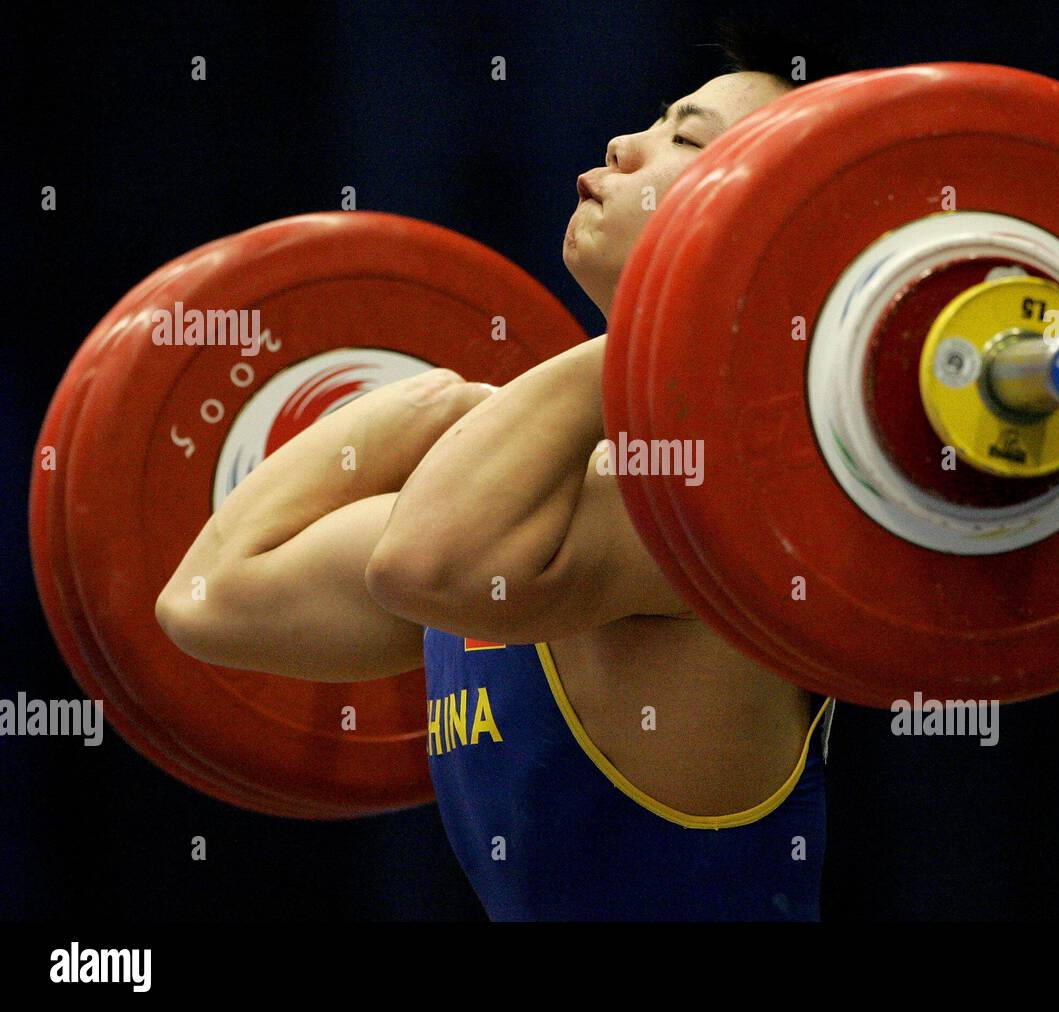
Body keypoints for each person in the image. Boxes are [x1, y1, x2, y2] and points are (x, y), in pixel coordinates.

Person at [156, 28, 845, 922]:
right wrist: (421, 409)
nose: (621, 147)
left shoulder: (702, 503)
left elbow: (421, 564)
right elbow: (209, 600)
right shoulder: (547, 499)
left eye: (684, 139)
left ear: (756, 227)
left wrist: (687, 319)